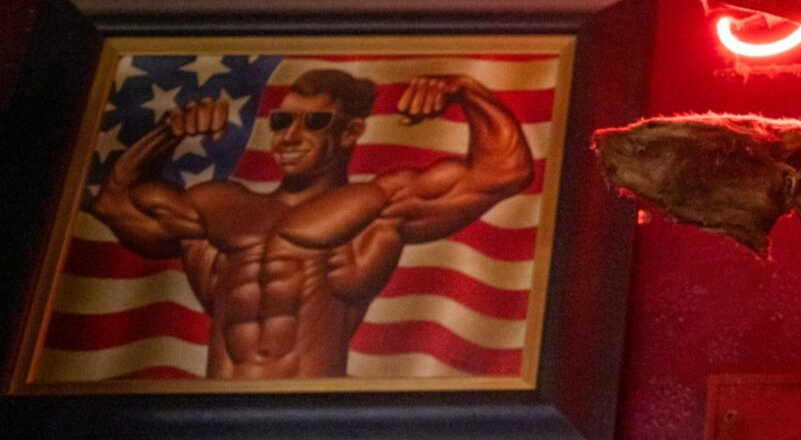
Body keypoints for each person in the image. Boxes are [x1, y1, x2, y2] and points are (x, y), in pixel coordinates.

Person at [90, 68, 534, 380]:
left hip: (310, 419)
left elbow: (503, 172)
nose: (290, 135)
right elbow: (115, 203)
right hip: (218, 417)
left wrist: (466, 91)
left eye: (314, 122)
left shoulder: (374, 208)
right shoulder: (217, 209)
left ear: (349, 133)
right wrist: (170, 131)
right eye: (282, 121)